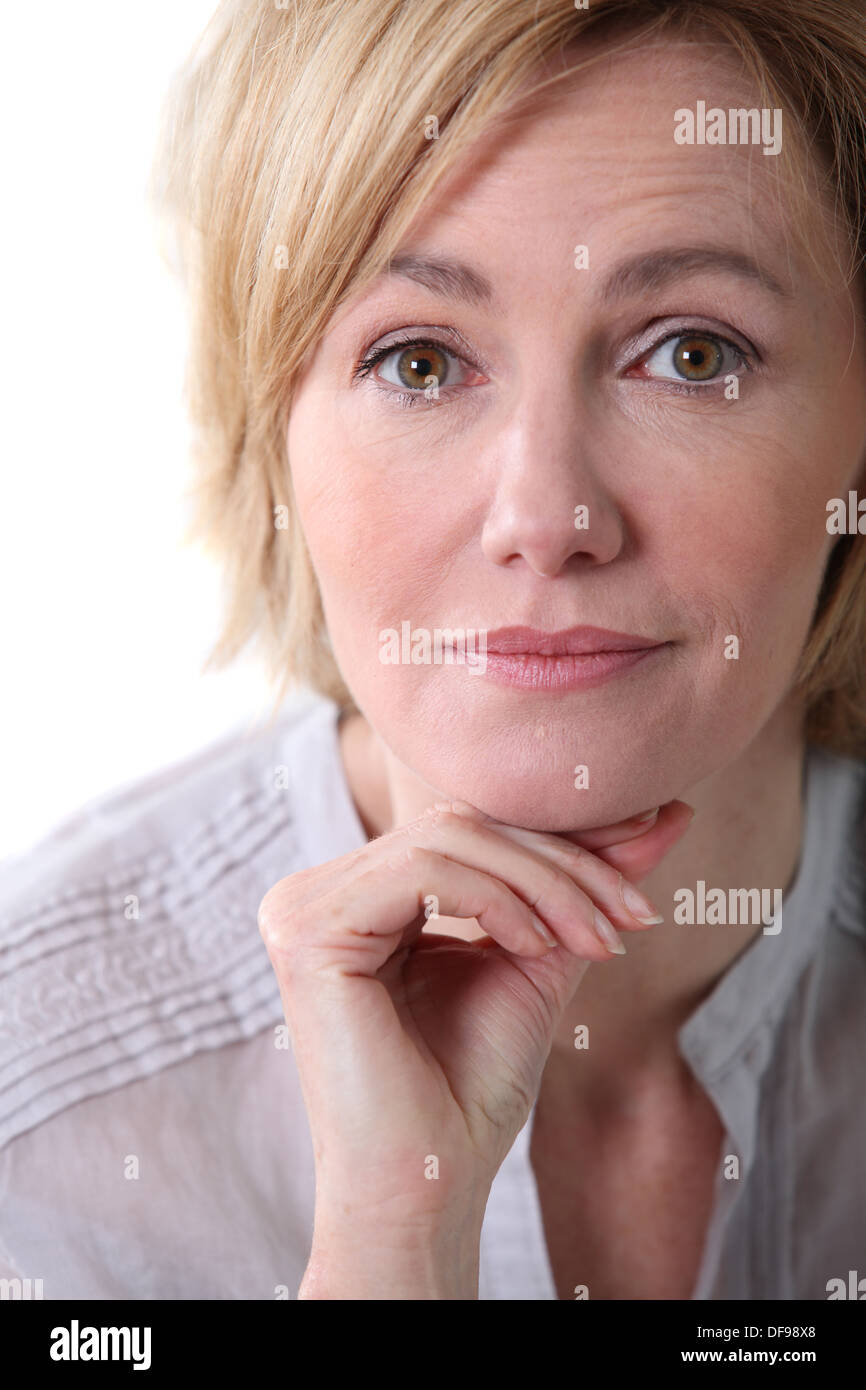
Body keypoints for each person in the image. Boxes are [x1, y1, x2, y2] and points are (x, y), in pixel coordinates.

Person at [2, 0, 866, 1301]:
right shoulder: (42, 1109)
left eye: (690, 354)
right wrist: (390, 1251)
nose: (545, 517)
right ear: (271, 431)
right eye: (417, 361)